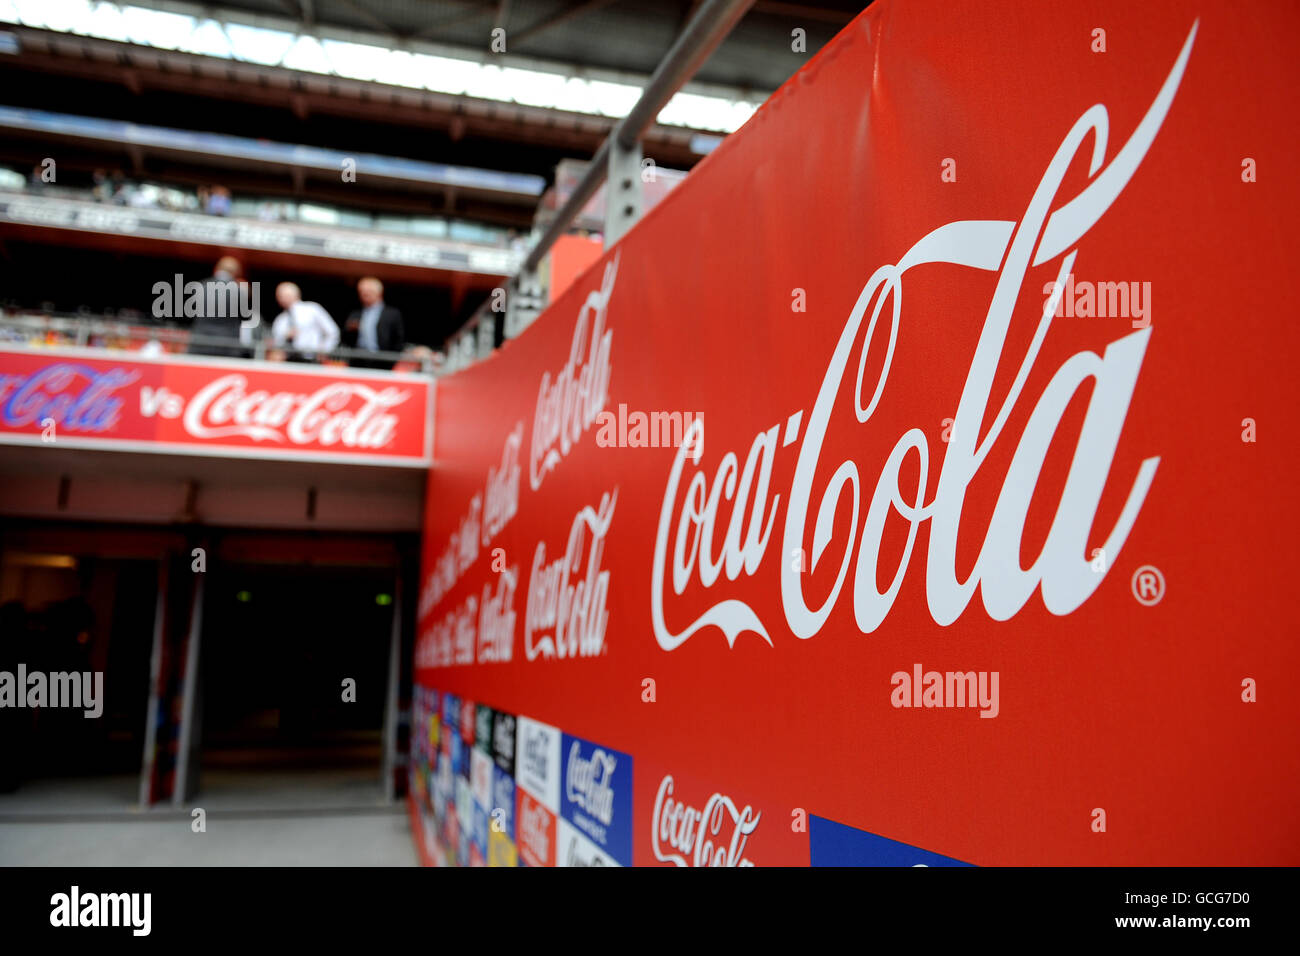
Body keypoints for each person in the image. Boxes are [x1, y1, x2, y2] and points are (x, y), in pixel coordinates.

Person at [187, 256, 260, 359]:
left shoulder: (200, 287)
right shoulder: (239, 290)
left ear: (216, 269)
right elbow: (247, 318)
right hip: (227, 347)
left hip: (200, 343)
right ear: (236, 273)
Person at [343, 276, 404, 370]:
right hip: (358, 361)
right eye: (362, 292)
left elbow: (398, 340)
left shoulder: (392, 314)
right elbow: (345, 337)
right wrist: (351, 329)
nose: (364, 294)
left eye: (368, 292)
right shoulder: (356, 313)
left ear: (379, 293)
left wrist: (391, 360)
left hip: (382, 361)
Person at [271, 282, 339, 363]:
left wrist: (324, 351)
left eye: (285, 295)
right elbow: (276, 342)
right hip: (288, 361)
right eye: (279, 296)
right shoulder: (281, 319)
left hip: (311, 359)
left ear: (296, 295)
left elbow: (332, 332)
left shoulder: (312, 309)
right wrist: (285, 336)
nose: (282, 299)